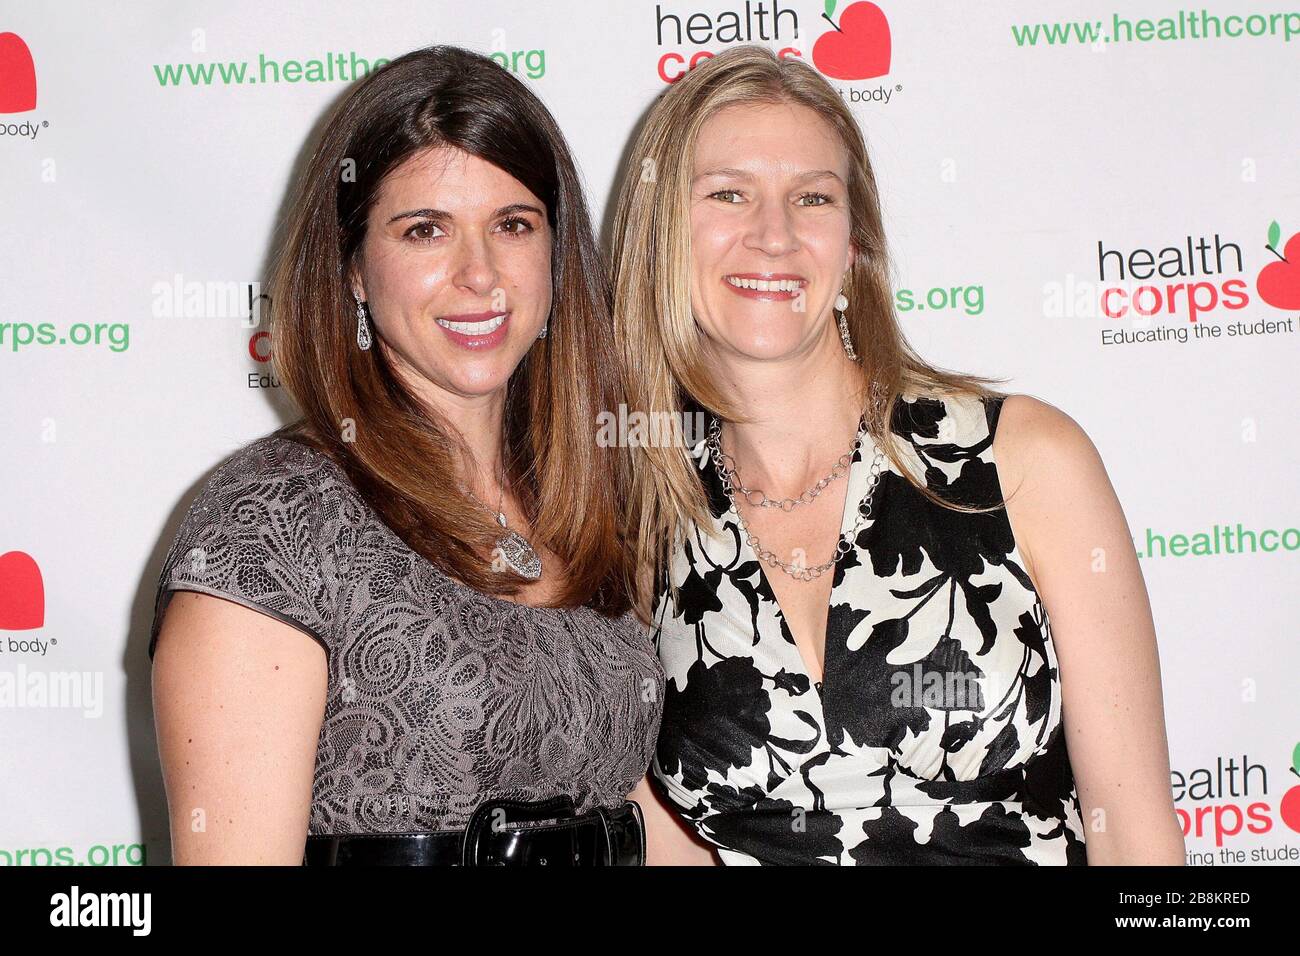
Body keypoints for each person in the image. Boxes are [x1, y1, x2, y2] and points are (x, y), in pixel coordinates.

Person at [611, 45, 1185, 865]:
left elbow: (1134, 834)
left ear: (853, 249)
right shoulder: (641, 505)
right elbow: (672, 841)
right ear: (663, 232)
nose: (772, 234)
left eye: (811, 198)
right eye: (728, 193)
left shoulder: (1020, 461)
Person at [148, 45, 663, 866]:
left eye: (514, 225)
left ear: (559, 255)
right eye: (426, 230)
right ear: (353, 268)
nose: (479, 274)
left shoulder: (596, 508)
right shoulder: (272, 526)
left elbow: (636, 814)